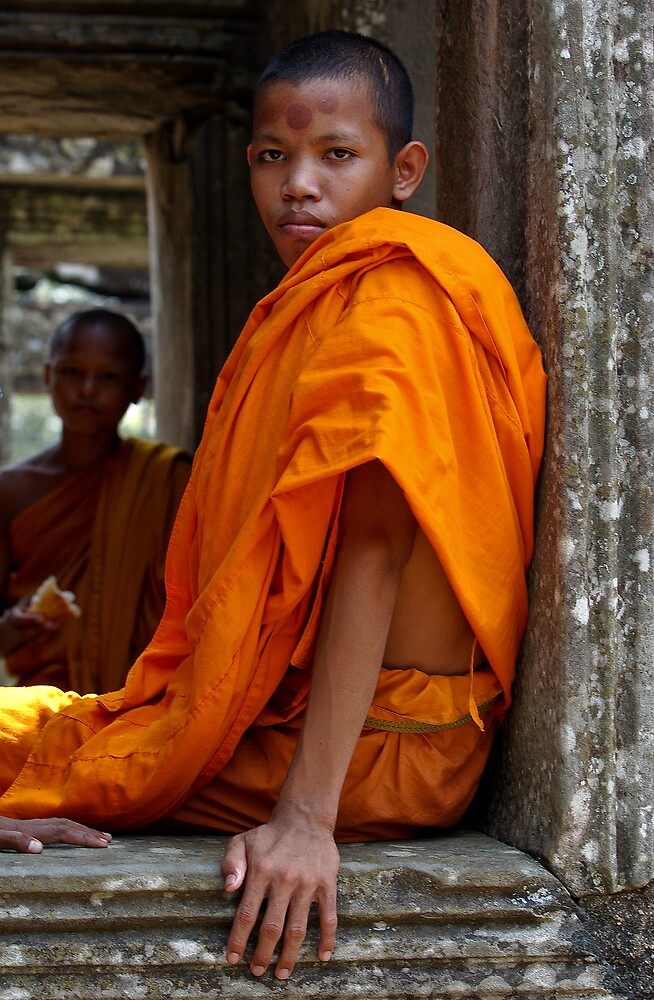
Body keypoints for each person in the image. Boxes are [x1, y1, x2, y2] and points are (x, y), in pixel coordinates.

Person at [0, 31, 547, 983]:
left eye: (337, 155)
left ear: (404, 168)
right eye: (272, 157)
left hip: (385, 751)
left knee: (41, 751)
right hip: (313, 720)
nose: (299, 184)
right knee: (41, 731)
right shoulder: (324, 300)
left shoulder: (398, 302)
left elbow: (376, 549)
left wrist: (305, 820)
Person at [0, 309, 192, 693]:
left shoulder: (166, 480)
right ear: (49, 376)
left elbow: (194, 605)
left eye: (108, 377)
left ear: (137, 389)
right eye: (72, 372)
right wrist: (13, 626)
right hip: (44, 707)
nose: (87, 389)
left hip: (148, 704)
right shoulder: (12, 490)